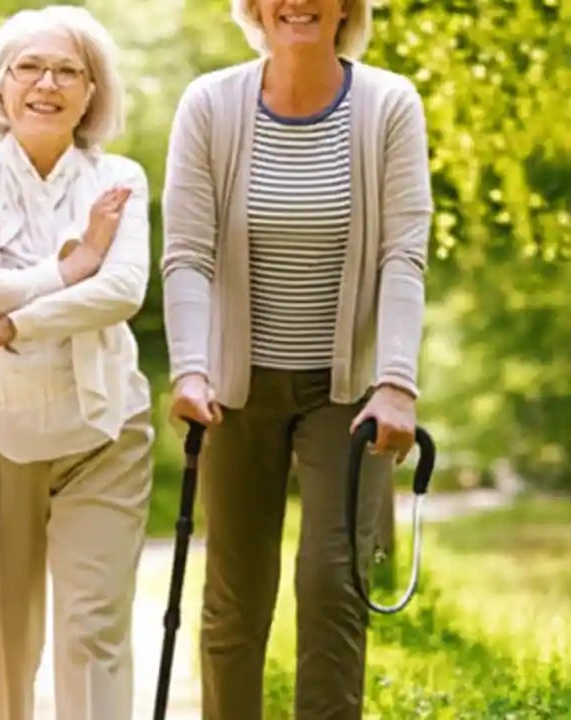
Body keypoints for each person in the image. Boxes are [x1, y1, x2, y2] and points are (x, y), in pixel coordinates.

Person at [159, 0, 432, 718]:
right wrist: (191, 369)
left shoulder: (388, 105)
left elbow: (403, 254)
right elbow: (187, 255)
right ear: (253, 7)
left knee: (332, 583)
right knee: (235, 598)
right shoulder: (210, 105)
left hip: (348, 393)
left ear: (346, 6)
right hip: (235, 388)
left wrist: (396, 384)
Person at [0, 6, 155, 719]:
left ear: (92, 93)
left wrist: (11, 325)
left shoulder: (118, 178)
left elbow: (122, 291)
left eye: (67, 71)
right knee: (0, 645)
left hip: (102, 430)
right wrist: (73, 267)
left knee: (93, 632)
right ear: (1, 84)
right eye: (29, 67)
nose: (46, 84)